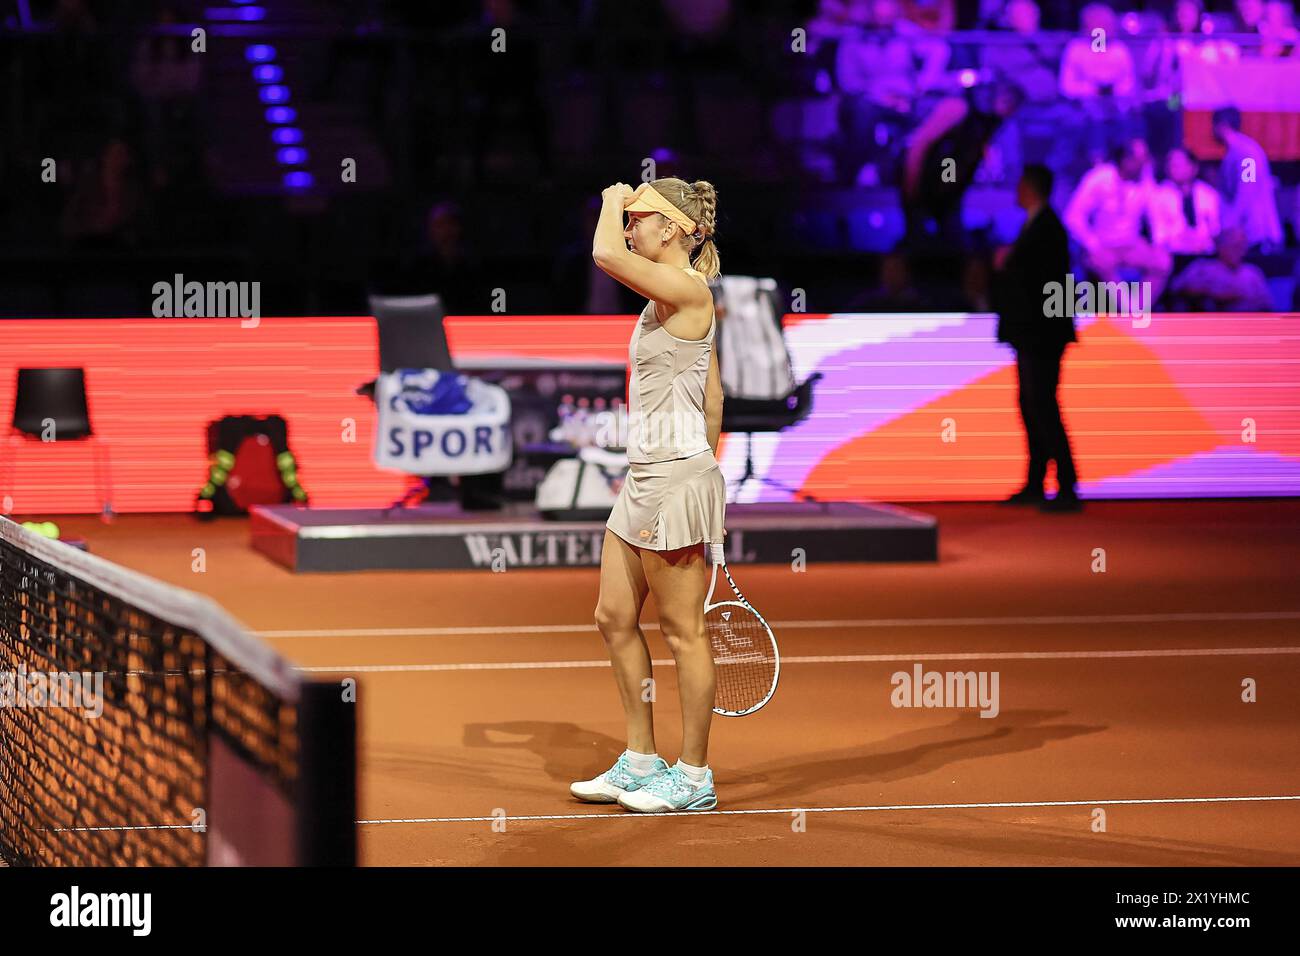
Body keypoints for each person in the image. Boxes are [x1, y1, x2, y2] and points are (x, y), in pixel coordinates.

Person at [573, 177, 726, 813]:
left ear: (671, 229)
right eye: (628, 216)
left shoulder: (689, 290)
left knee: (683, 631)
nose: (629, 225)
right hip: (646, 477)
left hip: (674, 480)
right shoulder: (659, 299)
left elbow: (604, 253)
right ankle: (640, 759)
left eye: (640, 217)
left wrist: (611, 198)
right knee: (613, 617)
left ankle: (694, 776)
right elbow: (713, 397)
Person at [992, 163, 1082, 511]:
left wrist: (1008, 265)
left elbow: (1042, 283)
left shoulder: (1047, 228)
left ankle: (1067, 485)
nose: (1016, 191)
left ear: (1030, 188)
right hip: (1034, 333)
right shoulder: (1039, 225)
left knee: (1042, 405)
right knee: (1033, 406)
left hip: (1041, 335)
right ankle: (1036, 482)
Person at [902, 79, 1025, 244]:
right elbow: (921, 143)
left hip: (952, 178)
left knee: (949, 233)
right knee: (925, 233)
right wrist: (911, 181)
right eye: (1007, 101)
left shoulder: (992, 120)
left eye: (1013, 106)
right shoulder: (960, 107)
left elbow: (978, 145)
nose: (1008, 109)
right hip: (937, 171)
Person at [1063, 138, 1172, 303]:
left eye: (1146, 159)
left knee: (1162, 262)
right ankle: (1128, 309)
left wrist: (1159, 244)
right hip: (1102, 243)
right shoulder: (1099, 178)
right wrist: (1093, 244)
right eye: (1140, 160)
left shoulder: (1145, 180)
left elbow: (1156, 216)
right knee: (1103, 263)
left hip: (1131, 243)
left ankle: (1139, 307)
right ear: (1125, 159)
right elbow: (1073, 216)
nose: (1144, 164)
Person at [1213, 107, 1283, 250]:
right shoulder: (1234, 152)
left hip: (1257, 235)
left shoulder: (1246, 153)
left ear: (1222, 126)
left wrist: (1230, 225)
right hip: (1245, 234)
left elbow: (1247, 189)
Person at [1169, 227, 1275, 311]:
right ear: (1220, 247)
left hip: (1247, 325)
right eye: (1234, 246)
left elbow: (1267, 306)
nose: (1239, 251)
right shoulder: (1202, 268)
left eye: (1242, 247)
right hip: (1208, 324)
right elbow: (1175, 290)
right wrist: (1210, 294)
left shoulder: (1253, 273)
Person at [1149, 146, 1221, 258]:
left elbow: (1215, 230)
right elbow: (1159, 236)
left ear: (1194, 168)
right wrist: (1182, 241)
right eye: (1172, 165)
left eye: (1179, 165)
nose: (1174, 169)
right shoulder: (1158, 196)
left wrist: (1200, 241)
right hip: (1173, 255)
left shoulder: (1209, 194)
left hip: (1204, 252)